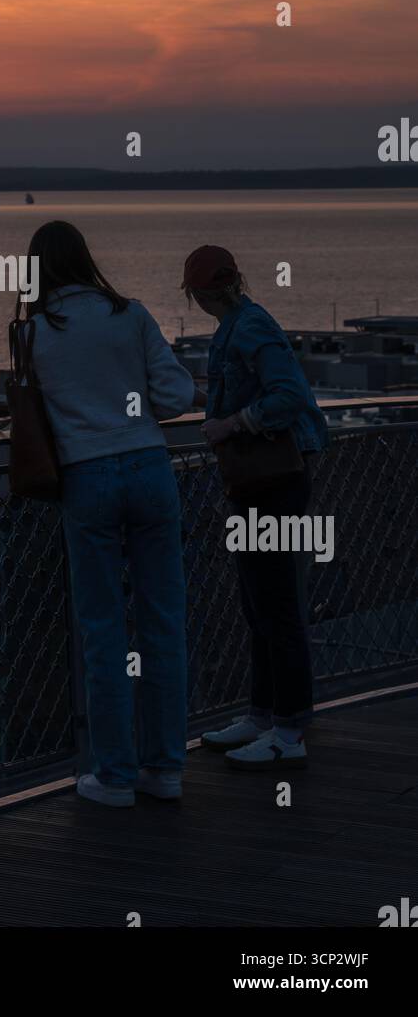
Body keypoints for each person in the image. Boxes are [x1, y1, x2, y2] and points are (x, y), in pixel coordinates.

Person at [22, 221, 197, 806]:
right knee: (163, 622)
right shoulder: (133, 313)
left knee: (103, 631)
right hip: (148, 467)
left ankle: (115, 775)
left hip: (87, 477)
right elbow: (174, 398)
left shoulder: (34, 332)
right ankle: (166, 768)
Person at [183, 245, 328, 770]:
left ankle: (288, 730)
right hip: (260, 483)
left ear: (197, 295)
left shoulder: (248, 328)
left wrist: (231, 424)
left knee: (276, 604)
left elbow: (288, 396)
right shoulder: (240, 324)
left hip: (275, 482)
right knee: (259, 601)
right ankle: (264, 715)